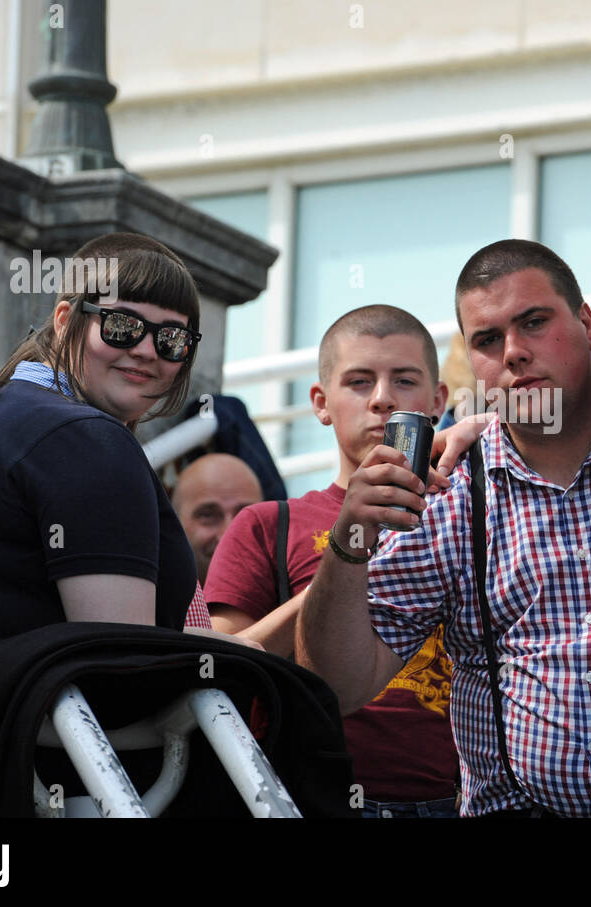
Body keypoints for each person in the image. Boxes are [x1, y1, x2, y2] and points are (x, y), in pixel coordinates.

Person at [295, 241, 591, 817]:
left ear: (584, 322)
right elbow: (337, 684)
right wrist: (351, 542)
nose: (514, 352)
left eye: (534, 322)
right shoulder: (446, 492)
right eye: (486, 340)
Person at [0, 233, 209, 730]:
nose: (146, 350)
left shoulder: (13, 416)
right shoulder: (82, 437)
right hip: (14, 776)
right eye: (121, 326)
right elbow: (121, 665)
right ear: (64, 320)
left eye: (172, 339)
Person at [204, 305, 461, 818]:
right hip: (311, 799)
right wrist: (342, 563)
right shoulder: (269, 524)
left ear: (437, 402)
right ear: (321, 403)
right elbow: (219, 667)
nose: (383, 399)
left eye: (404, 381)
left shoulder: (467, 514)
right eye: (359, 381)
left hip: (463, 802)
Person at [170, 453, 263, 585]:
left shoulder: (297, 597)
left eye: (247, 516)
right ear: (174, 525)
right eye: (208, 515)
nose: (228, 535)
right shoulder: (149, 602)